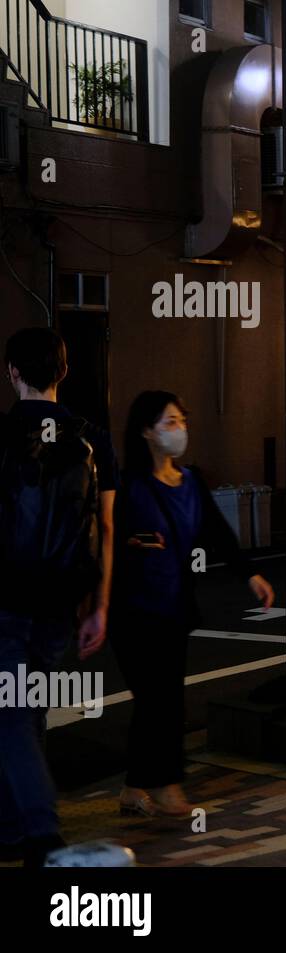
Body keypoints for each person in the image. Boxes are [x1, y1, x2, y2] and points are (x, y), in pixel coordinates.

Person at [111, 391, 274, 816]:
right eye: (169, 422)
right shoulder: (129, 486)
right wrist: (135, 544)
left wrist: (250, 574)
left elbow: (218, 533)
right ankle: (166, 785)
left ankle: (134, 786)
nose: (179, 429)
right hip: (131, 609)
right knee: (157, 699)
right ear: (146, 431)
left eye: (182, 420)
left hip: (173, 607)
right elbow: (110, 540)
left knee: (162, 698)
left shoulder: (191, 482)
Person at [0, 328, 118, 867]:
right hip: (61, 601)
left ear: (12, 372)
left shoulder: (3, 434)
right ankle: (14, 832)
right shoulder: (93, 439)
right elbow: (106, 527)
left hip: (8, 598)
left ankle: (43, 836)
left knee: (13, 715)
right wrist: (99, 606)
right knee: (28, 710)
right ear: (63, 372)